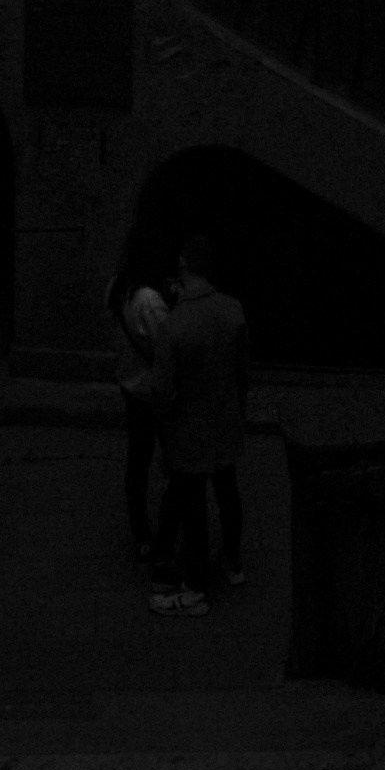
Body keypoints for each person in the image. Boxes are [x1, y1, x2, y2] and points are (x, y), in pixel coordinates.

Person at [151, 237, 248, 610]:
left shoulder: (174, 325)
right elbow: (242, 371)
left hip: (190, 429)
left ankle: (195, 584)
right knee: (228, 491)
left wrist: (166, 428)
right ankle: (232, 560)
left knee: (193, 505)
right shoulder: (233, 310)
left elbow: (162, 390)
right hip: (225, 418)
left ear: (183, 265)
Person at [107, 269, 169, 569]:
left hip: (132, 384)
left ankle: (140, 530)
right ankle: (167, 532)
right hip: (155, 390)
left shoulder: (119, 288)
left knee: (138, 460)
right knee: (175, 461)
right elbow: (168, 349)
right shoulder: (150, 300)